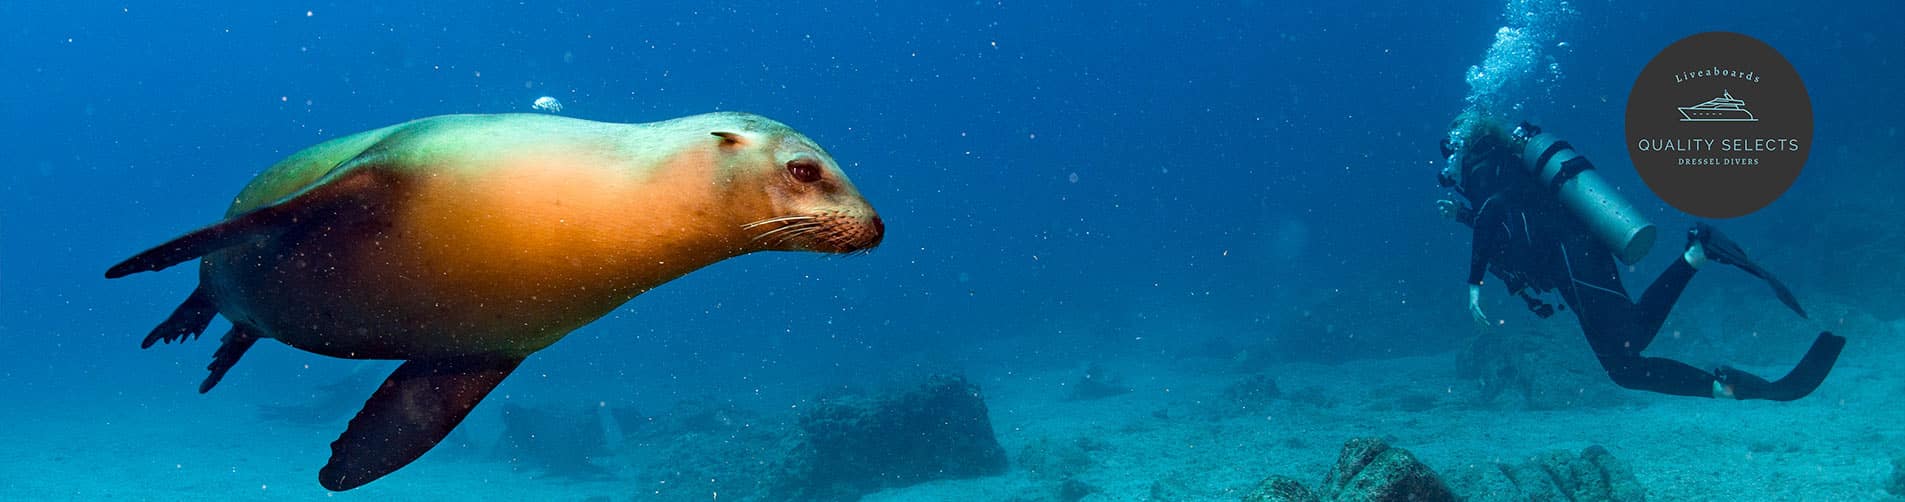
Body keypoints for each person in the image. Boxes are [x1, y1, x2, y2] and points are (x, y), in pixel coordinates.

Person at [1435, 119, 1845, 401]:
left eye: (1448, 155)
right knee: (1624, 369)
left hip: (1571, 252)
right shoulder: (1498, 168)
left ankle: (1697, 252)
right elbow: (1508, 226)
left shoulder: (1481, 167)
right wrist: (1463, 216)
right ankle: (1723, 388)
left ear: (1461, 145)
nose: (1448, 167)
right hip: (1568, 258)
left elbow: (1494, 215)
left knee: (1630, 340)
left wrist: (1474, 288)